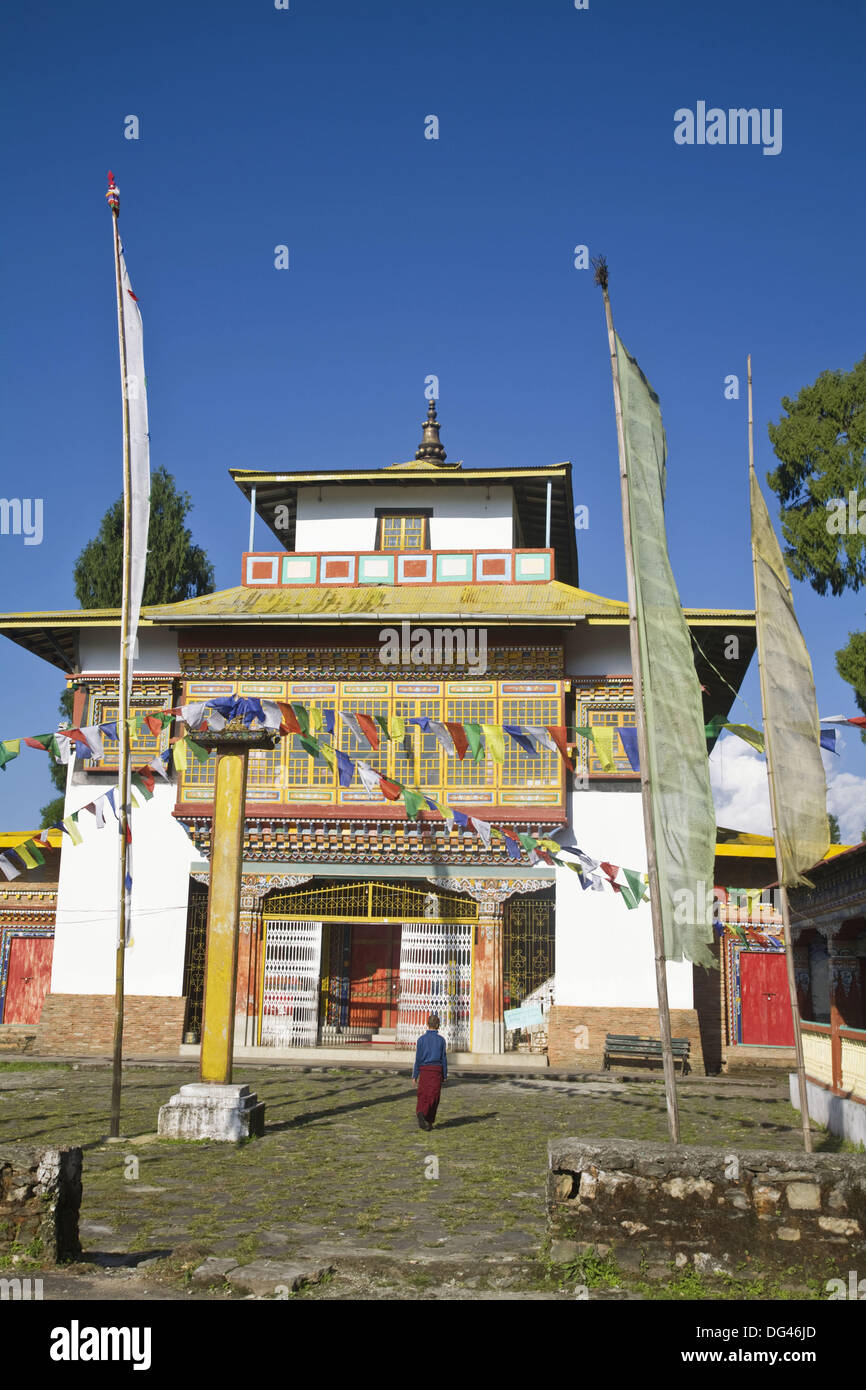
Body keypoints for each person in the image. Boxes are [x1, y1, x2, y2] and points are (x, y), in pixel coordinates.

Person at [413, 1013, 447, 1130]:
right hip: (436, 1070)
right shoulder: (441, 1041)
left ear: (427, 1024)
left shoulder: (421, 1040)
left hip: (424, 1070)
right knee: (434, 1096)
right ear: (438, 1025)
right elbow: (443, 1058)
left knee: (423, 1094)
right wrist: (445, 1074)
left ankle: (421, 1112)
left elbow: (418, 1058)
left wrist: (415, 1074)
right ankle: (428, 1118)